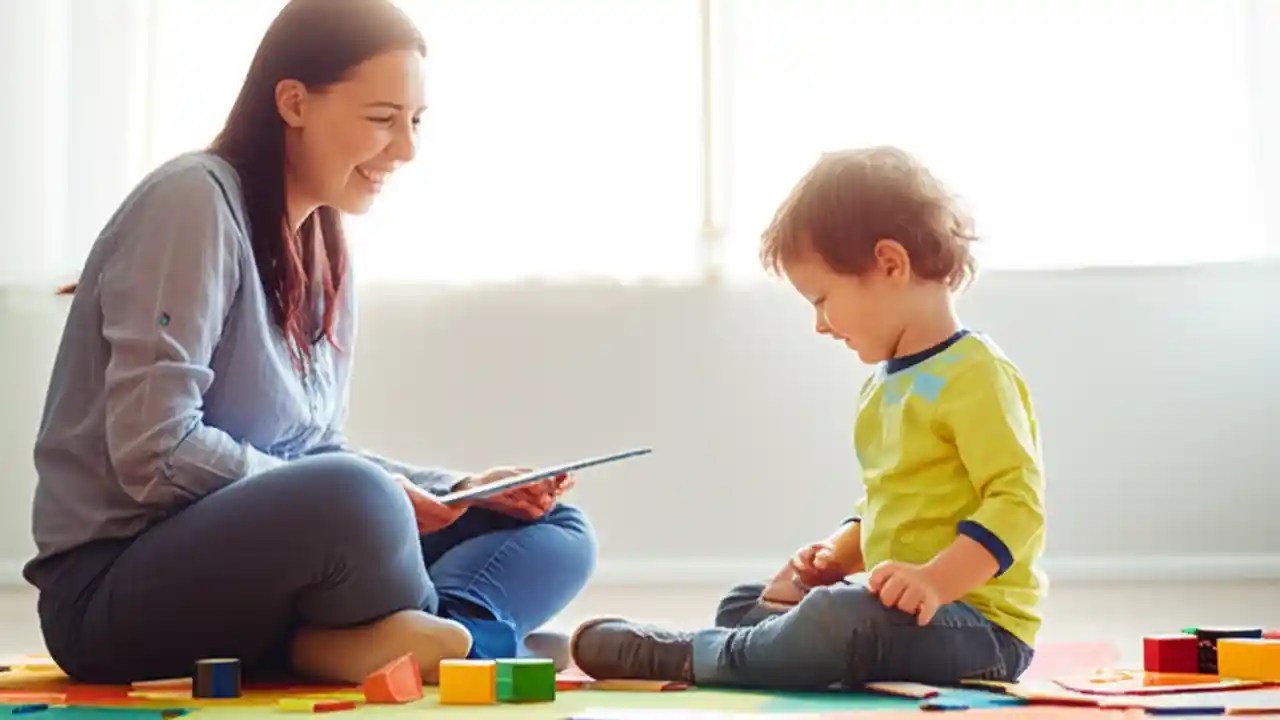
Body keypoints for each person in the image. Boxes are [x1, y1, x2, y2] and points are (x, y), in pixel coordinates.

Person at [25, 0, 595, 685]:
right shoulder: (193, 202)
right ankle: (453, 640)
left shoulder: (323, 241)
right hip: (111, 592)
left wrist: (459, 490)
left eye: (414, 122)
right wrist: (381, 492)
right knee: (360, 498)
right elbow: (156, 453)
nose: (407, 149)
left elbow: (312, 452)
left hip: (267, 562)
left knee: (559, 530)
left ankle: (424, 638)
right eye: (383, 120)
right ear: (294, 102)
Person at [570, 147, 1046, 690]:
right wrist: (832, 559)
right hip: (904, 614)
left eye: (822, 299)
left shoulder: (978, 374)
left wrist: (936, 582)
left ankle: (691, 657)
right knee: (747, 602)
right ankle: (750, 648)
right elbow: (892, 505)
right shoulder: (886, 385)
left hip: (978, 627)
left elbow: (1017, 504)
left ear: (890, 264)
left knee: (835, 621)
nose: (820, 325)